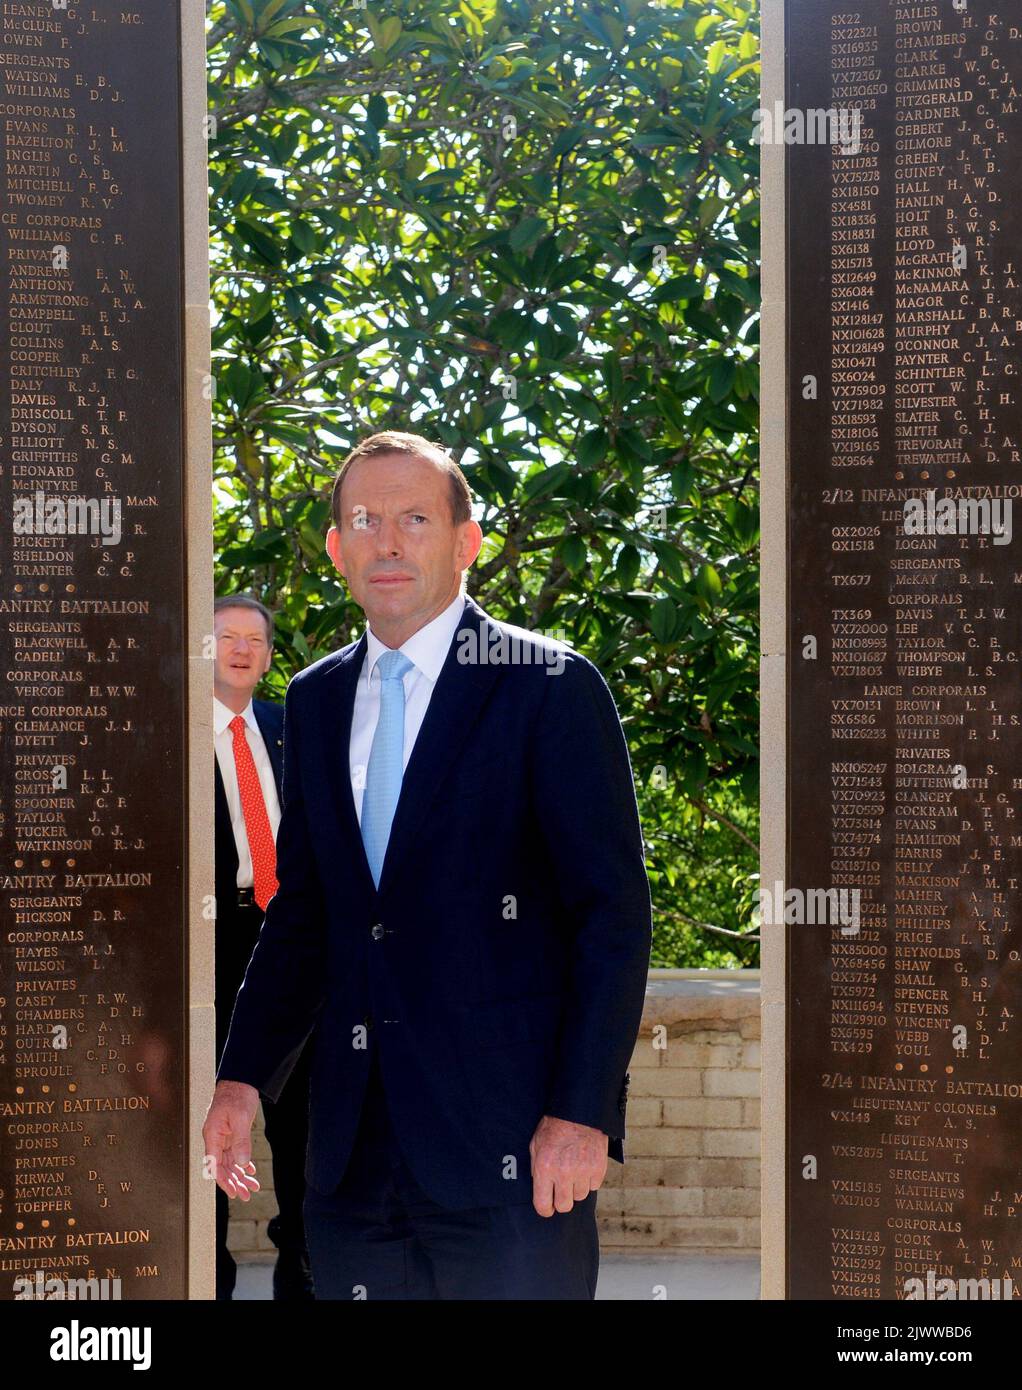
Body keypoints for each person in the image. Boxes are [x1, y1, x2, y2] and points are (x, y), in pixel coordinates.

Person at [204, 431, 651, 1300]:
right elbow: (303, 921)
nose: (389, 540)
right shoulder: (316, 700)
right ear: (336, 548)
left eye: (416, 517)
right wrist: (241, 1078)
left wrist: (583, 1111)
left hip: (516, 1150)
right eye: (365, 520)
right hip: (349, 1162)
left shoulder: (549, 685)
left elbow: (611, 916)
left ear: (466, 540)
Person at [212, 595, 313, 1301]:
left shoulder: (292, 729)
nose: (242, 649)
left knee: (307, 1132)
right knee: (210, 1129)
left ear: (270, 655)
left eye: (256, 639)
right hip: (213, 947)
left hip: (298, 944)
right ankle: (206, 1283)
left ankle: (304, 1280)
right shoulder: (166, 732)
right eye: (226, 637)